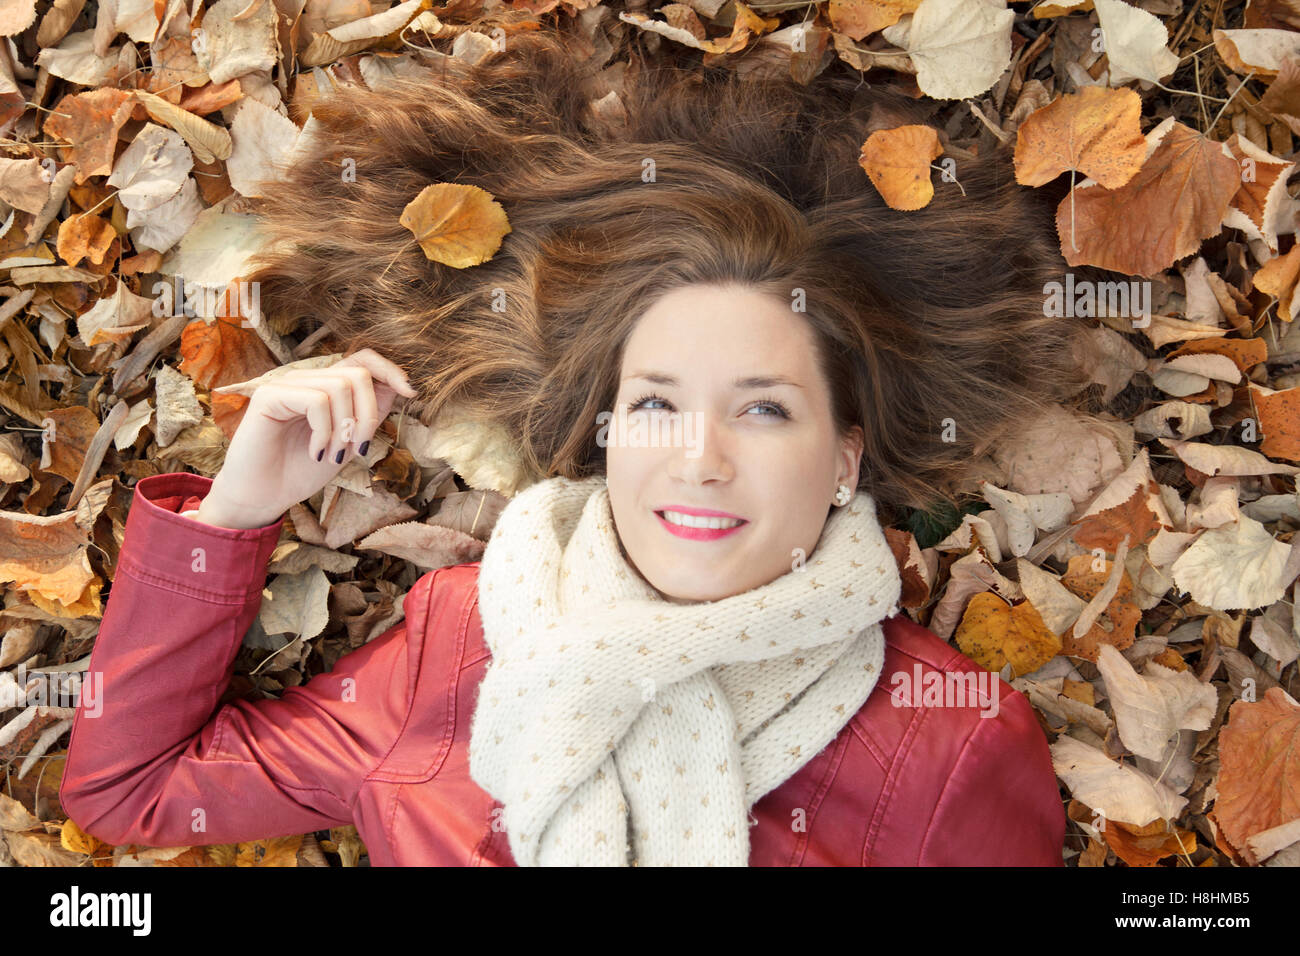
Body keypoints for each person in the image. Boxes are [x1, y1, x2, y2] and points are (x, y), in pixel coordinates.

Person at [59, 22, 1099, 865]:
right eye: (654, 404)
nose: (700, 457)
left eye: (764, 408)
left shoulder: (950, 750)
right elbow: (131, 789)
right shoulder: (459, 643)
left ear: (844, 459)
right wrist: (236, 515)